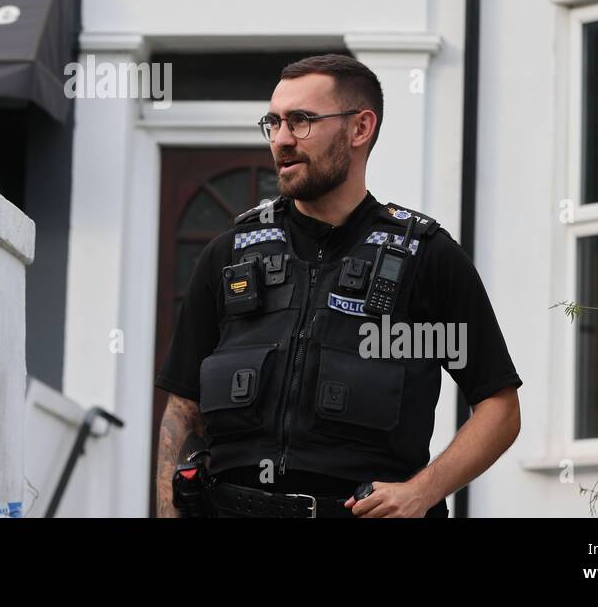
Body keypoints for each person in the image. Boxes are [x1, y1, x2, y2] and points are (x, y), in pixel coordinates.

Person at [155, 54, 522, 518]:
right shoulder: (230, 255)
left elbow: (499, 407)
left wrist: (422, 492)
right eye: (274, 122)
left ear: (360, 128)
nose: (282, 139)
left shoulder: (425, 257)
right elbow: (182, 408)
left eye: (301, 120)